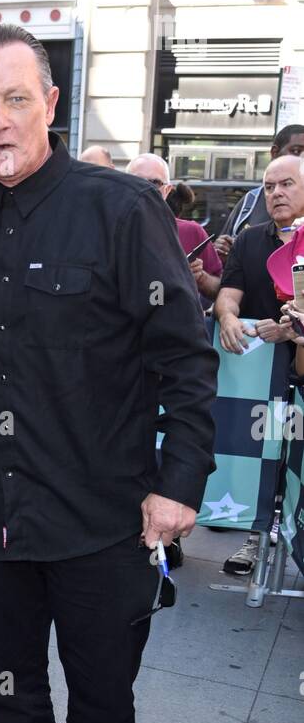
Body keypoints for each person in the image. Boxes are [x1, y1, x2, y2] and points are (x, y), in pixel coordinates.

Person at [0, 23, 217, 723]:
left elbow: (185, 355)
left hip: (105, 519)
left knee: (103, 696)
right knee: (8, 686)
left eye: (15, 99)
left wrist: (178, 484)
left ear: (50, 105)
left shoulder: (119, 209)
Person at [214, 153, 304, 576]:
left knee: (295, 462)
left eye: (286, 184)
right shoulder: (250, 239)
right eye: (269, 187)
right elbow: (228, 292)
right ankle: (254, 537)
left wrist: (294, 329)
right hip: (258, 381)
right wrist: (227, 317)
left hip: (301, 376)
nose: (276, 194)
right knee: (263, 452)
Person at [127, 153, 223, 305]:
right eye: (137, 180)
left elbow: (222, 291)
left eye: (154, 182)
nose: (144, 188)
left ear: (167, 190)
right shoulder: (107, 231)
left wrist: (200, 276)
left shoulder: (191, 232)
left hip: (172, 326)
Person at [215, 124, 304, 258]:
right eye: (296, 151)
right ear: (275, 153)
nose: (278, 194)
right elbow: (224, 264)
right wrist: (225, 252)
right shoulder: (250, 202)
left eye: (287, 184)